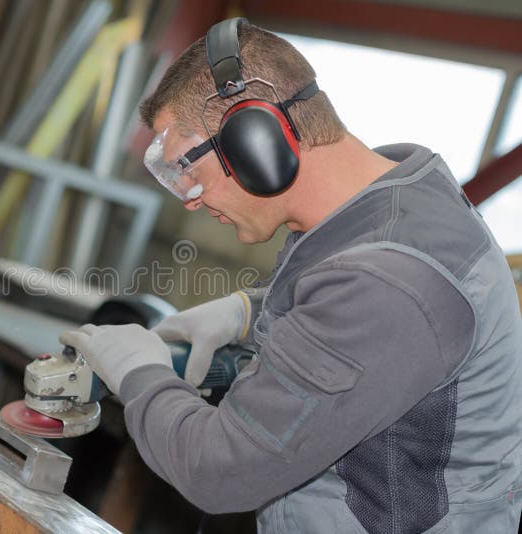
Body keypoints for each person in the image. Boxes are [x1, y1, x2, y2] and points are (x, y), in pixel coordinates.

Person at [59, 18, 522, 532]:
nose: (191, 198)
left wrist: (140, 374)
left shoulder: (391, 283)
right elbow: (359, 309)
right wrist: (247, 311)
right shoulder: (392, 204)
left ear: (256, 139)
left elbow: (217, 472)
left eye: (189, 169)